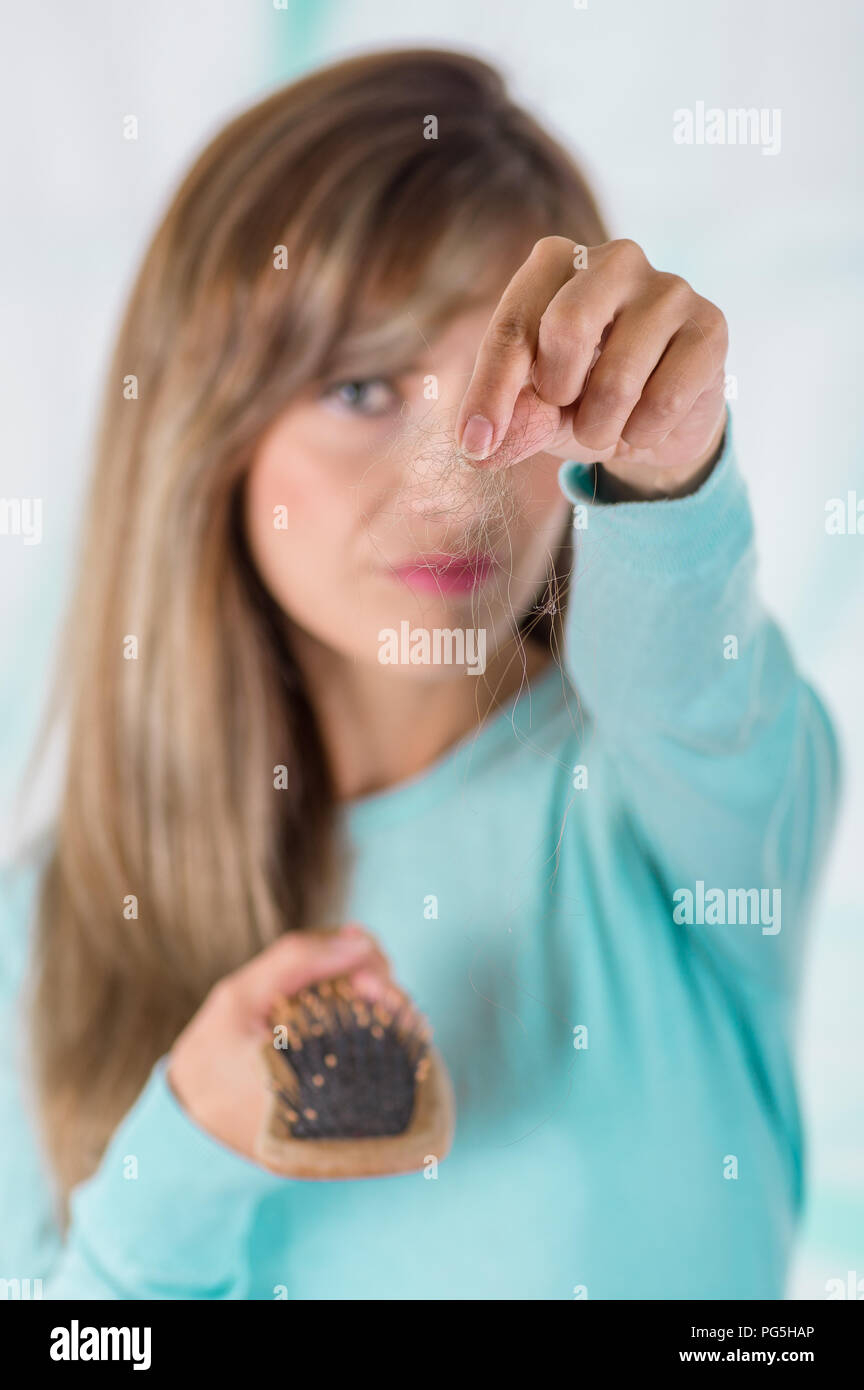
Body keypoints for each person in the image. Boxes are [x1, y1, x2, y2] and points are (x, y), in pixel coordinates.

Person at [0, 48, 839, 1300]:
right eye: (362, 386)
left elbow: (691, 678)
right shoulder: (42, 935)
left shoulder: (687, 797)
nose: (456, 484)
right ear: (206, 438)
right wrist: (184, 1151)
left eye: (517, 395)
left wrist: (666, 472)